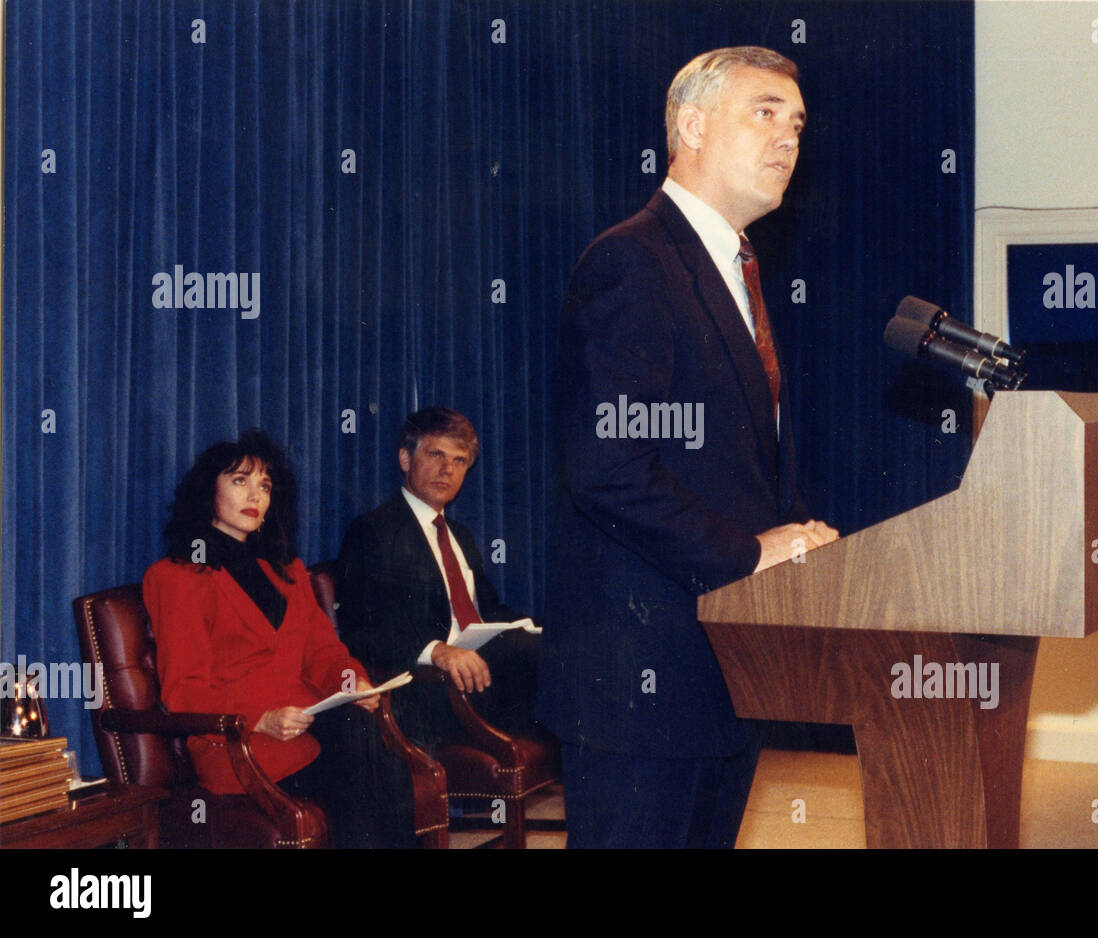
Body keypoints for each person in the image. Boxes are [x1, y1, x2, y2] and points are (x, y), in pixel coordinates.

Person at [537, 46, 839, 848]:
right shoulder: (634, 261)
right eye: (765, 113)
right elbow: (608, 467)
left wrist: (800, 535)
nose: (788, 140)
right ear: (692, 127)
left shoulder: (738, 270)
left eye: (798, 124)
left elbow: (740, 462)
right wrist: (748, 552)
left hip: (720, 671)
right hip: (641, 680)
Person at [143, 429, 419, 848]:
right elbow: (183, 691)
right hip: (244, 744)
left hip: (310, 725)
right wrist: (262, 717)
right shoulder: (177, 576)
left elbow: (324, 652)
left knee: (379, 754)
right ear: (207, 492)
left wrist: (352, 684)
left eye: (265, 486)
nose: (255, 495)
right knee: (364, 757)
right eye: (240, 481)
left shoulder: (287, 569)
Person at [336, 407, 541, 750]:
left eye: (460, 461)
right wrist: (436, 651)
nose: (448, 470)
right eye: (436, 454)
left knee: (565, 648)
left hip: (483, 673)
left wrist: (539, 627)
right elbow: (363, 630)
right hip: (428, 688)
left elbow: (488, 613)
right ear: (405, 458)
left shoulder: (459, 535)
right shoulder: (373, 530)